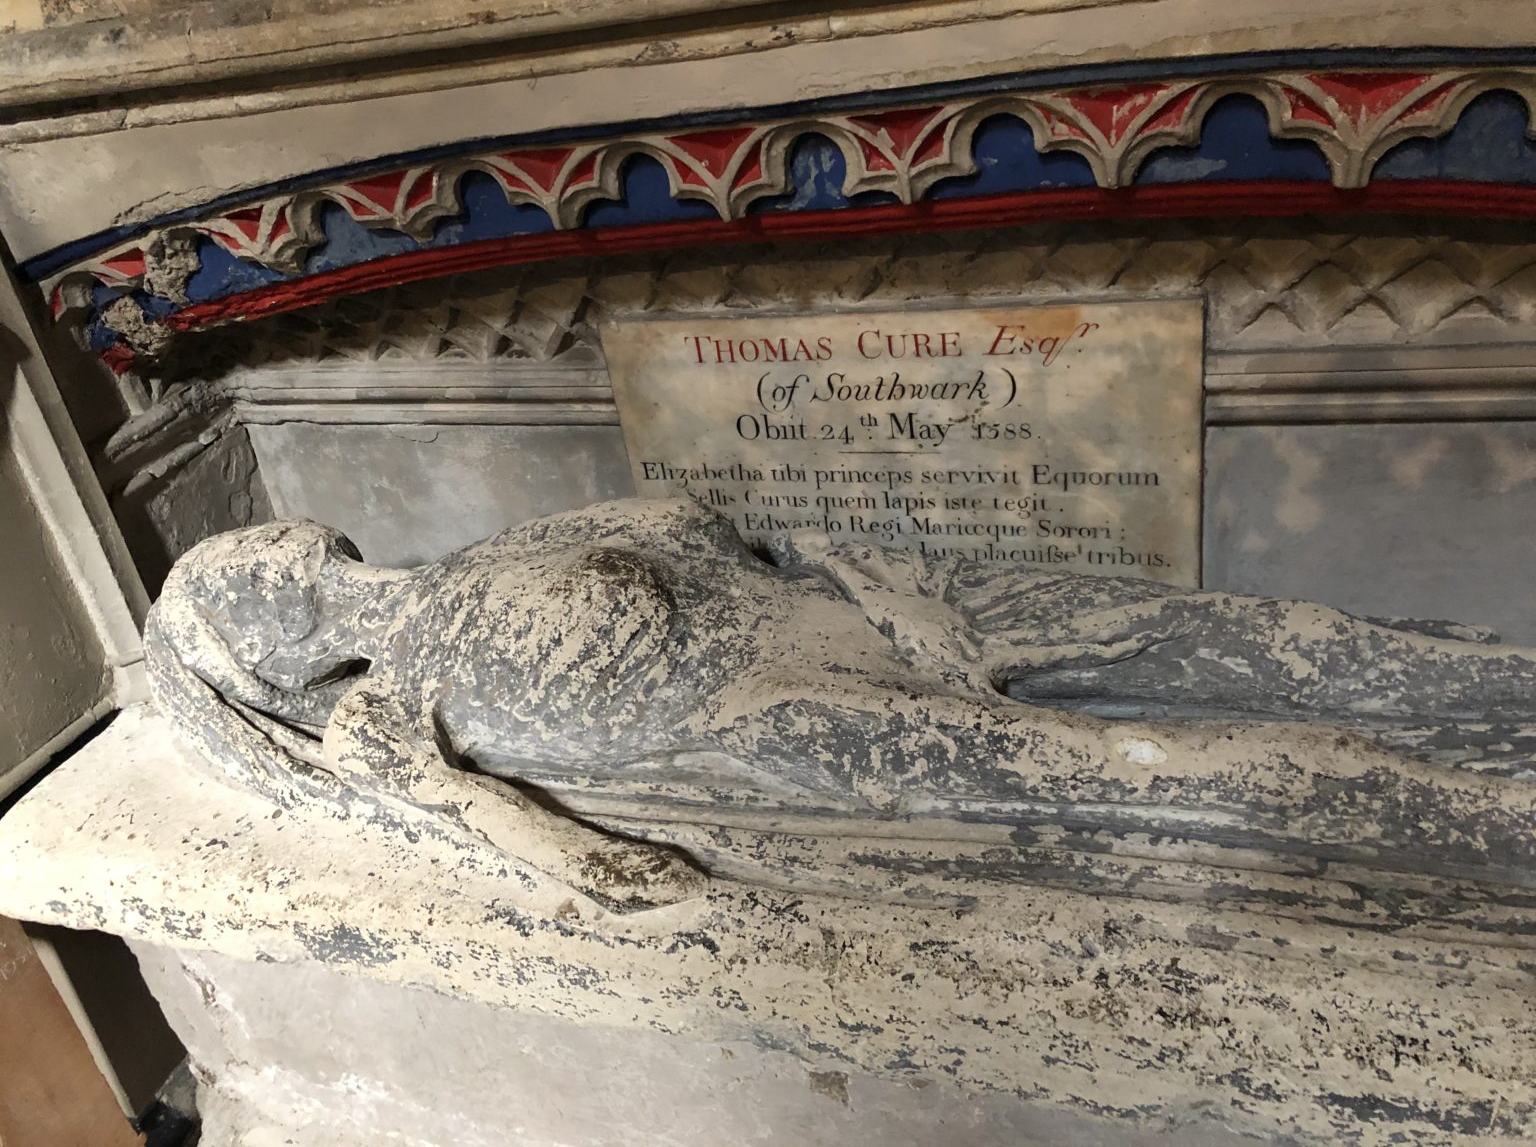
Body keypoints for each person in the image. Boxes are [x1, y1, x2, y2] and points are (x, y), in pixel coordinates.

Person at [146, 497, 1536, 911]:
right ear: (262, 663)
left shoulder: (496, 548)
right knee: (1158, 762)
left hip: (871, 605)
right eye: (254, 583)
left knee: (1250, 631)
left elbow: (755, 534)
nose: (277, 559)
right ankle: (1495, 814)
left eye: (274, 546)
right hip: (781, 712)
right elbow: (559, 853)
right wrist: (590, 857)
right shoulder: (377, 721)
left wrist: (897, 596)